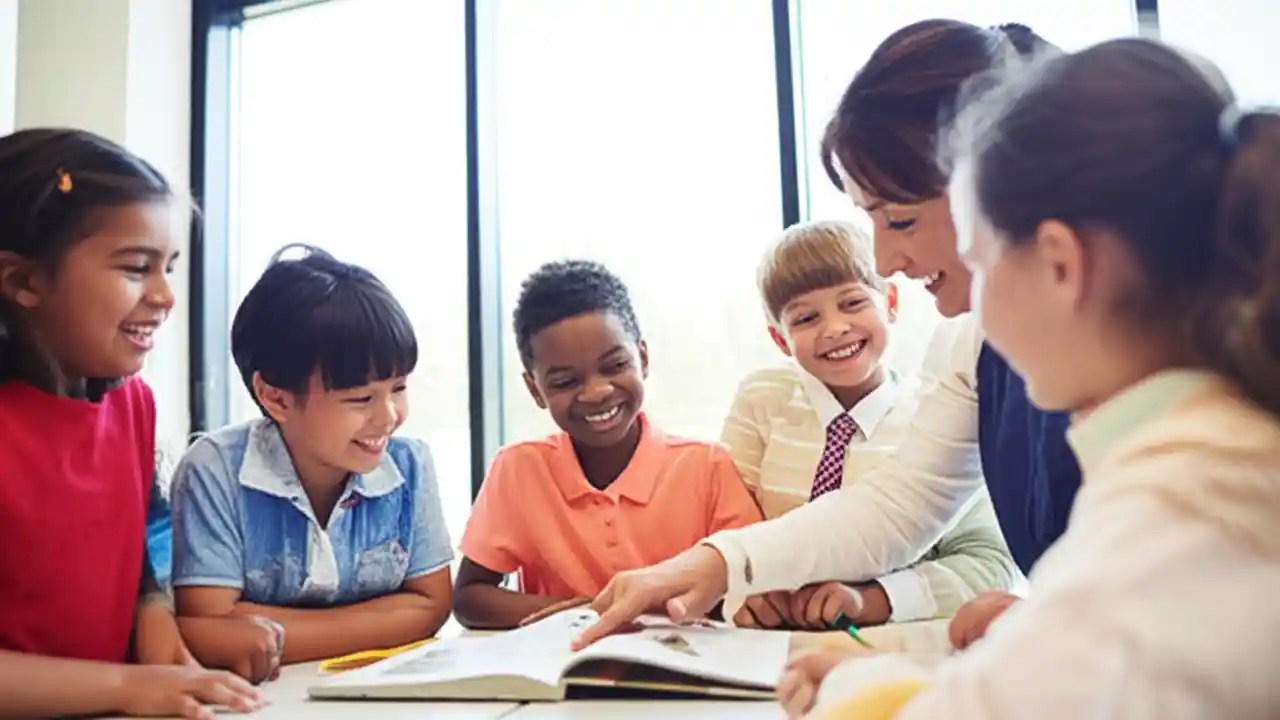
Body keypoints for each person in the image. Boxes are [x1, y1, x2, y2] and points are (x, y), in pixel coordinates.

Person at [783, 37, 1280, 719]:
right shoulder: (1227, 446)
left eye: (981, 262)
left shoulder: (1176, 500)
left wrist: (851, 681)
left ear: (1060, 265)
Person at [575, 19, 1078, 651]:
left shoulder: (1151, 347)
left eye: (899, 219)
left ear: (1003, 185)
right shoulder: (973, 345)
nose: (887, 258)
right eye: (871, 220)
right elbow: (899, 507)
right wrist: (713, 564)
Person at [0, 128, 262, 718]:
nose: (166, 295)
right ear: (24, 282)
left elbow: (131, 540)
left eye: (168, 266)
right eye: (136, 268)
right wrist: (128, 688)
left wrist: (152, 611)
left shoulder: (132, 405)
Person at [171, 246, 453, 678]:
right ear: (275, 397)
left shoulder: (409, 464)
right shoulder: (215, 470)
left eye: (398, 388)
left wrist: (269, 633)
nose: (389, 416)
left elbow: (432, 607)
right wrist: (390, 621)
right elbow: (207, 626)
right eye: (360, 399)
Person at [722, 220, 1014, 629]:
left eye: (853, 303)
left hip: (884, 643)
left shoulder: (939, 414)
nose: (835, 328)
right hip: (766, 644)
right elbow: (725, 523)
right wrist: (744, 593)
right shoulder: (762, 400)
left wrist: (875, 599)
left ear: (890, 302)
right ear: (778, 338)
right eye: (805, 319)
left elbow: (989, 563)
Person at [453, 260, 763, 629]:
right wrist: (584, 613)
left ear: (643, 359)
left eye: (614, 366)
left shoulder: (707, 466)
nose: (597, 392)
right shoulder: (519, 468)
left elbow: (751, 585)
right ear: (535, 390)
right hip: (559, 671)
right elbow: (470, 597)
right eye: (566, 382)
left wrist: (640, 608)